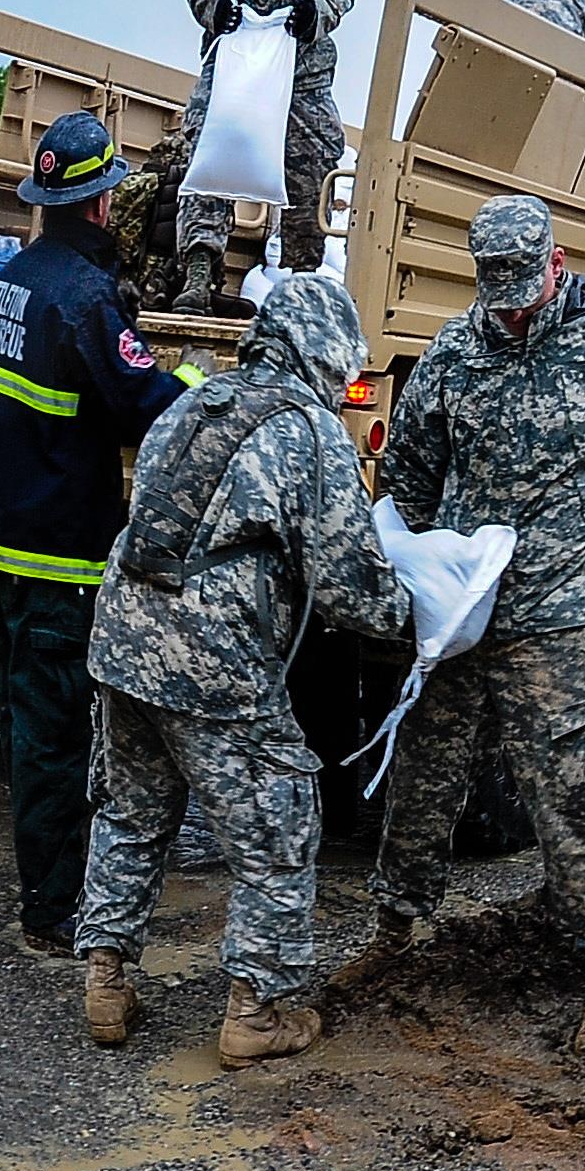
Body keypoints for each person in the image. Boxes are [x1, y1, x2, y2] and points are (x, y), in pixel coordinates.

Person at [336, 196, 585, 1059]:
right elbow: (408, 474)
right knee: (425, 777)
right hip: (464, 619)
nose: (512, 304)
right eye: (497, 287)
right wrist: (413, 569)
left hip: (566, 618)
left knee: (572, 792)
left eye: (525, 284)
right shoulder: (453, 351)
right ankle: (395, 929)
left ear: (555, 263)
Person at [74, 273, 412, 1062]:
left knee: (131, 812)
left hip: (123, 635)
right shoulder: (311, 433)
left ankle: (106, 979)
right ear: (324, 352)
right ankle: (256, 1015)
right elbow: (350, 584)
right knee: (278, 823)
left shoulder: (196, 402)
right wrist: (423, 620)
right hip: (210, 656)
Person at [0, 110, 200, 959]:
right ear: (100, 205)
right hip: (53, 553)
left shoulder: (17, 277)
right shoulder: (85, 296)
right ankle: (52, 912)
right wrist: (200, 384)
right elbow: (140, 404)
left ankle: (47, 891)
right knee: (56, 737)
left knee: (28, 726)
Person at [170, 0, 368, 314]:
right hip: (235, 64)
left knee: (315, 164)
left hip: (302, 71)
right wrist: (217, 5)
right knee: (205, 155)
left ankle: (301, 286)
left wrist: (318, 9)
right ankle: (198, 274)